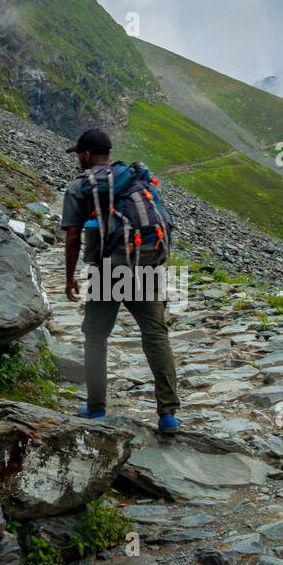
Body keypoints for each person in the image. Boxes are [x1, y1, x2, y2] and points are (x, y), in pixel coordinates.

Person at [60, 128, 181, 432]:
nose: (78, 159)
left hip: (108, 271)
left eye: (79, 154)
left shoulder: (81, 187)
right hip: (145, 263)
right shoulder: (136, 176)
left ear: (86, 155)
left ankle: (96, 408)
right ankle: (168, 414)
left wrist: (70, 277)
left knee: (96, 337)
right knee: (155, 334)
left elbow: (73, 236)